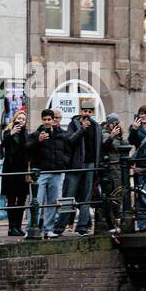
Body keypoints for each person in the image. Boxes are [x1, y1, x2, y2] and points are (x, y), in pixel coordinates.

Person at [26, 107, 71, 237]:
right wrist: (38, 141)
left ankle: (48, 229)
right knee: (36, 202)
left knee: (52, 202)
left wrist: (64, 161)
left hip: (56, 172)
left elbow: (67, 150)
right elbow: (27, 150)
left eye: (49, 119)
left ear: (53, 120)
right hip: (40, 172)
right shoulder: (35, 134)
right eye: (44, 119)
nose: (47, 121)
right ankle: (31, 228)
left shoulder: (61, 135)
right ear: (42, 119)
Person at [59, 99, 102, 235]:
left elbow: (98, 147)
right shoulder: (73, 124)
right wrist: (81, 130)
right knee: (69, 196)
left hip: (90, 165)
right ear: (81, 111)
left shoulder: (97, 127)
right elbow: (70, 141)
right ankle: (60, 226)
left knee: (86, 196)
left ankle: (82, 226)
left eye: (90, 111)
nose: (87, 114)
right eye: (85, 111)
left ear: (92, 112)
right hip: (75, 166)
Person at [97, 113, 130, 233]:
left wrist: (120, 136)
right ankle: (111, 224)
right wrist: (112, 136)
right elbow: (104, 146)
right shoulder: (105, 133)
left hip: (119, 169)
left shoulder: (119, 135)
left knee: (119, 196)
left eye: (117, 123)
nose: (115, 125)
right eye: (113, 123)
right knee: (112, 197)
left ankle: (117, 222)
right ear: (108, 124)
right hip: (110, 169)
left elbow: (126, 146)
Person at [1, 108, 31, 236]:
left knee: (22, 199)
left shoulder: (26, 134)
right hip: (10, 168)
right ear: (14, 119)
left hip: (22, 169)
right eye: (19, 118)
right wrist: (12, 133)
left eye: (23, 119)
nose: (21, 121)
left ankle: (18, 226)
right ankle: (11, 227)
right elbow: (3, 145)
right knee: (12, 199)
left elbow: (29, 150)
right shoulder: (8, 132)